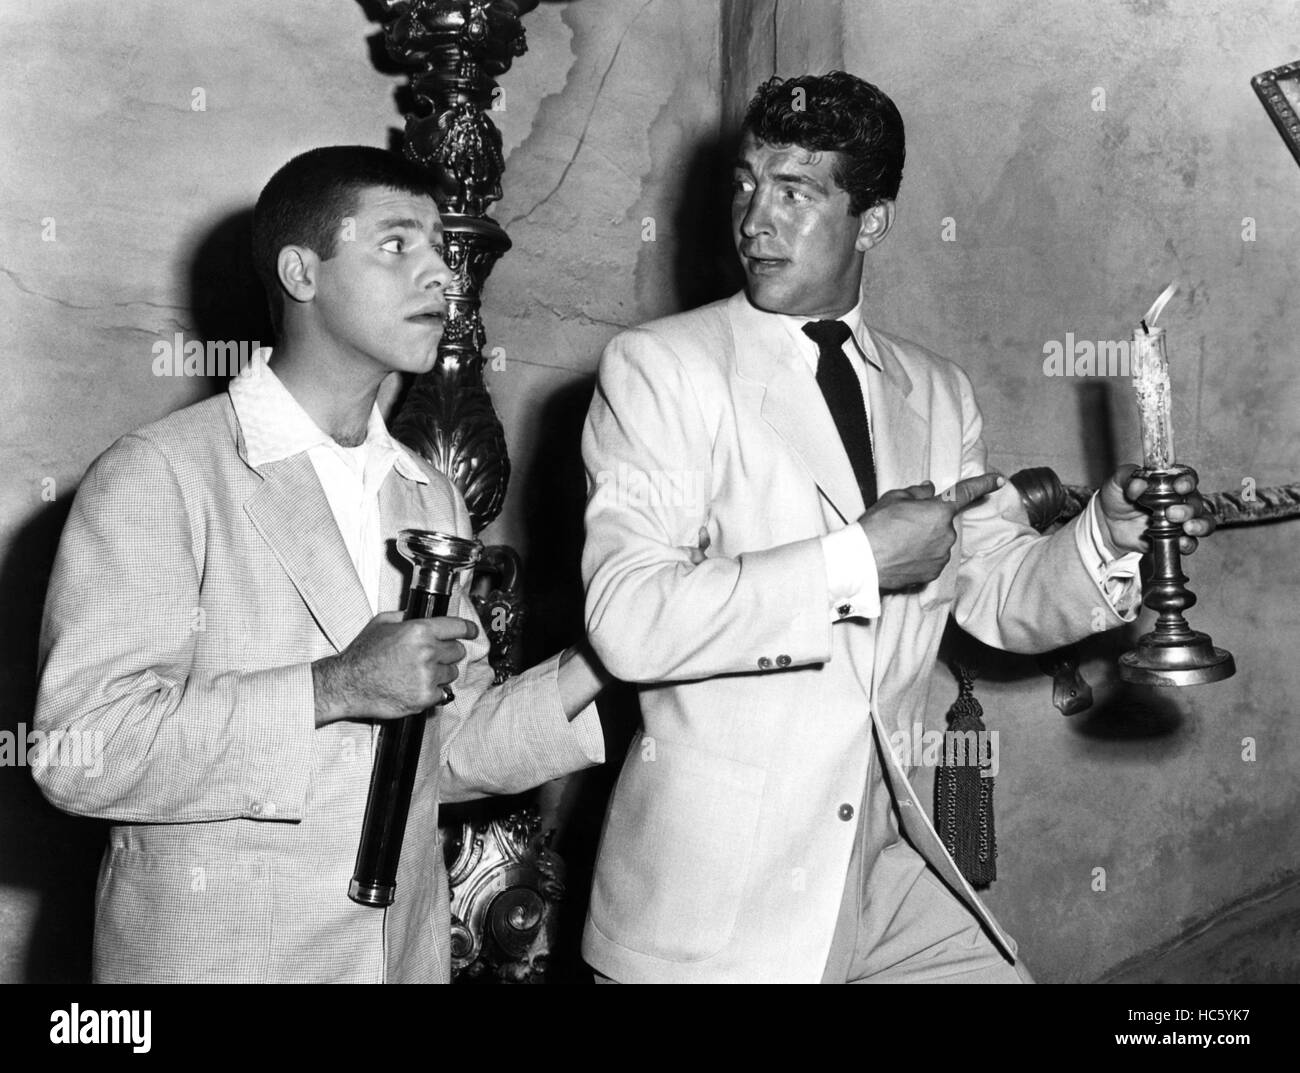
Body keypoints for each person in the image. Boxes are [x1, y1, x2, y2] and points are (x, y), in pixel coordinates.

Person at [579, 72, 1215, 983]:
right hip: (716, 909)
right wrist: (860, 557)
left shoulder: (936, 388)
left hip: (882, 867)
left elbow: (994, 595)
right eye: (746, 183)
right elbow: (630, 618)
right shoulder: (664, 368)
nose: (755, 218)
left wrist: (1106, 537)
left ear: (872, 220)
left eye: (795, 191)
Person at [33, 146, 606, 984]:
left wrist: (609, 661)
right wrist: (334, 687)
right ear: (301, 271)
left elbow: (440, 749)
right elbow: (81, 750)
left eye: (440, 252)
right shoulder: (161, 473)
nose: (441, 279)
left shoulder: (430, 495)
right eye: (396, 245)